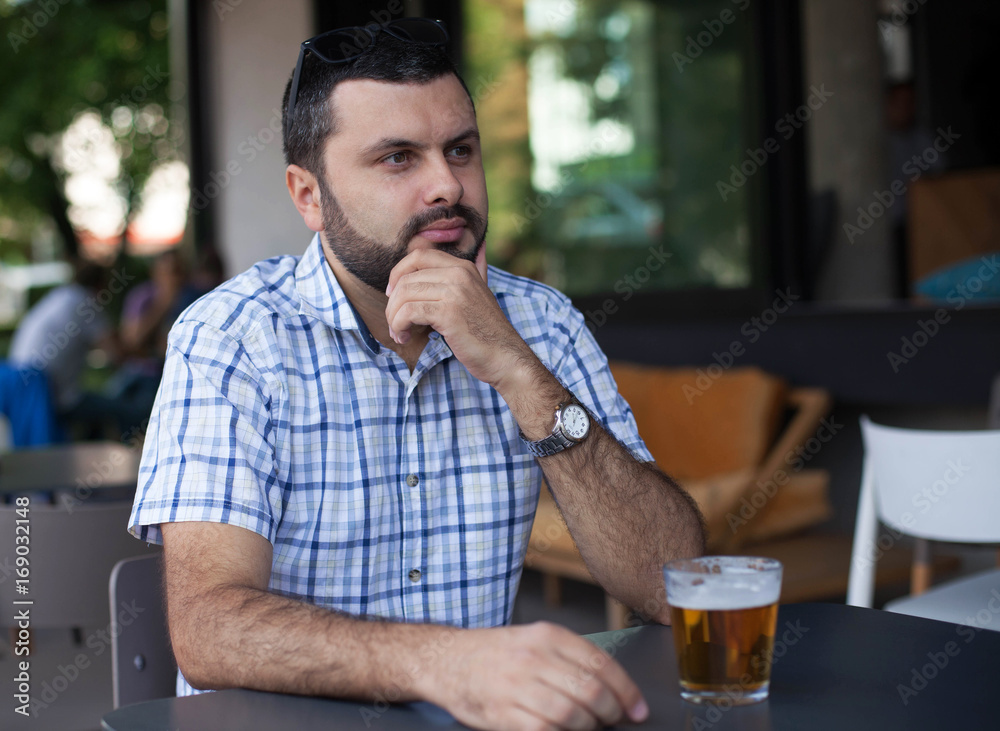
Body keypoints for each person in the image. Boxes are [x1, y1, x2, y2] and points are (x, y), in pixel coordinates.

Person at [129, 18, 704, 731]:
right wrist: (446, 663)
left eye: (460, 150)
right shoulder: (232, 340)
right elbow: (209, 625)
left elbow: (674, 587)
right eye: (398, 158)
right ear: (308, 195)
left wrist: (522, 374)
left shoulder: (542, 326)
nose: (446, 186)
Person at [8, 260, 119, 437]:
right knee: (123, 410)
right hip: (45, 393)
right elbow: (116, 352)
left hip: (18, 383)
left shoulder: (59, 296)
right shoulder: (86, 302)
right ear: (100, 285)